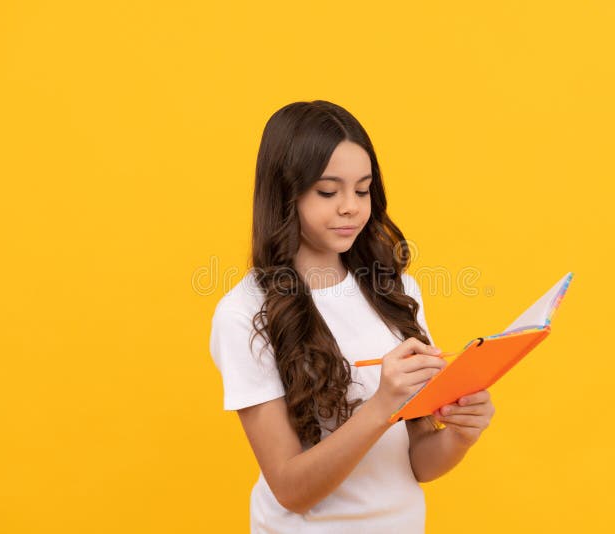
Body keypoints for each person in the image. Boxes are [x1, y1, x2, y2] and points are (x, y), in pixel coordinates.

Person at [209, 100, 495, 533]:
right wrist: (381, 406)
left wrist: (460, 434)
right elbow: (290, 488)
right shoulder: (245, 313)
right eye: (328, 192)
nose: (351, 207)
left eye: (362, 190)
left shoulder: (395, 291)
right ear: (285, 193)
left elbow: (417, 463)